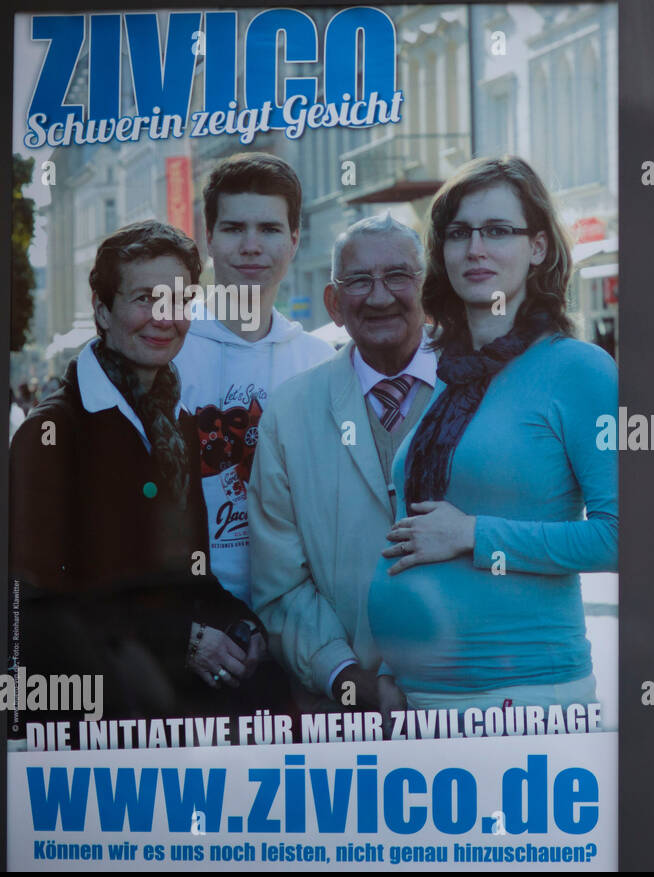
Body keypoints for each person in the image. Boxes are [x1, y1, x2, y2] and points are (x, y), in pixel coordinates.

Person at [365, 156, 617, 712]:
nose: (475, 249)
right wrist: (389, 668)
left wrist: (474, 534)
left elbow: (621, 536)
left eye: (498, 231)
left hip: (520, 698)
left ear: (539, 248)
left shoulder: (579, 370)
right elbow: (415, 538)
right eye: (459, 233)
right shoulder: (450, 377)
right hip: (416, 701)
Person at [9, 221, 268, 720]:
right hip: (92, 721)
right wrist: (186, 640)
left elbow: (186, 574)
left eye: (177, 301)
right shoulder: (52, 433)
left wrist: (242, 623)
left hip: (173, 709)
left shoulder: (177, 421)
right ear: (102, 312)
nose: (163, 319)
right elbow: (35, 609)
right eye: (145, 299)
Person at [248, 214, 434, 715]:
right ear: (333, 303)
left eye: (399, 276)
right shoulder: (288, 414)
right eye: (358, 281)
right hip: (338, 723)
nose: (379, 297)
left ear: (430, 288)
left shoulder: (481, 392)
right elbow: (279, 583)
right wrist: (351, 680)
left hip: (469, 705)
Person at [174, 152, 335, 606]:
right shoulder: (169, 355)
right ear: (208, 238)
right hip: (192, 620)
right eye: (233, 228)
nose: (251, 245)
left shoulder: (320, 362)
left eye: (269, 229)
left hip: (301, 620)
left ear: (295, 240)